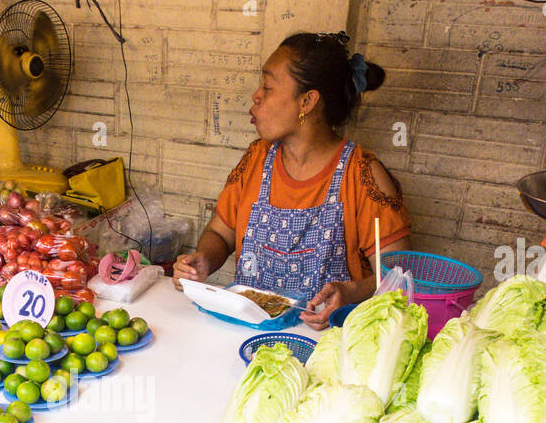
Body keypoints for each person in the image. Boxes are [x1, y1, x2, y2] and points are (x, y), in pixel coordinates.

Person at [173, 32, 411, 330]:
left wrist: (351, 292)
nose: (256, 96)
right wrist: (204, 260)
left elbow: (398, 279)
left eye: (268, 87)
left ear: (307, 101)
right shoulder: (256, 160)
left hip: (324, 346)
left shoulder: (363, 175)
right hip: (246, 335)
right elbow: (221, 234)